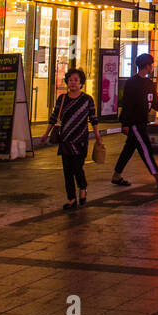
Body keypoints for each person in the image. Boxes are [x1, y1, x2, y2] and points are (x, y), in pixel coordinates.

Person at [112, 53, 158, 189]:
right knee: (146, 150)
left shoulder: (148, 83)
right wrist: (125, 124)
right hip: (135, 123)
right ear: (146, 66)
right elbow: (127, 104)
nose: (152, 67)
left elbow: (155, 102)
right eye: (151, 65)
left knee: (128, 150)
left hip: (141, 122)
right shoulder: (131, 83)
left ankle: (116, 175)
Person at [48, 68, 102, 210]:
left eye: (76, 80)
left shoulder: (87, 100)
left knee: (77, 168)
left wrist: (97, 135)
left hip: (80, 140)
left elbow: (93, 119)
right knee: (67, 171)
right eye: (70, 80)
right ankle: (71, 198)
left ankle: (82, 187)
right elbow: (54, 118)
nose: (72, 83)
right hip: (65, 140)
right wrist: (45, 133)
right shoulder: (62, 99)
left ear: (81, 83)